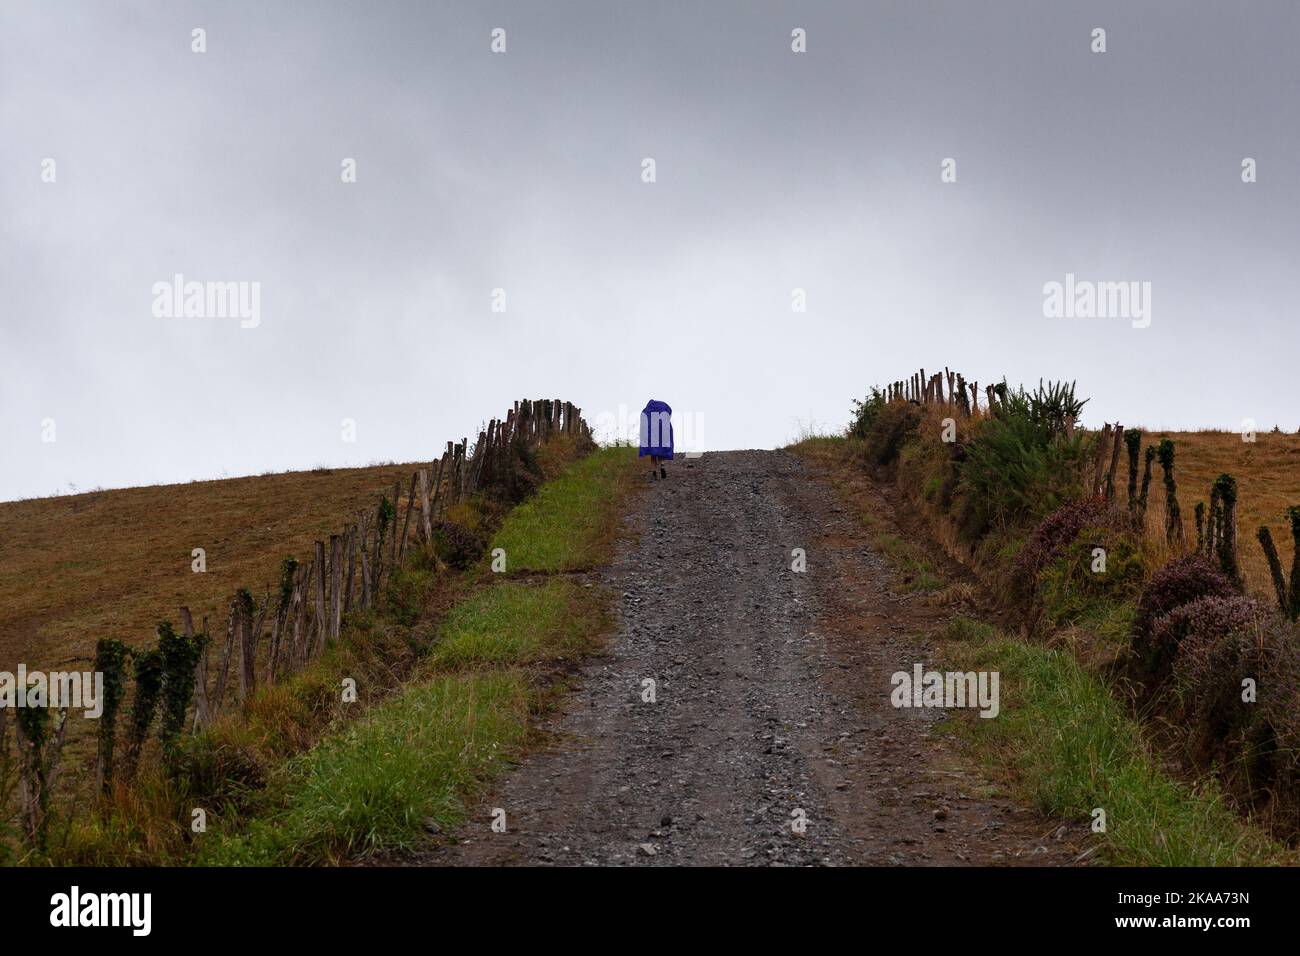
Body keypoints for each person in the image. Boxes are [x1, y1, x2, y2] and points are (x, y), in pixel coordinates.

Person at [639, 398, 673, 480]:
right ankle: (662, 465)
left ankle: (654, 471)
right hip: (662, 431)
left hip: (652, 432)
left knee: (653, 454)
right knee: (661, 452)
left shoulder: (647, 410)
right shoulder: (663, 407)